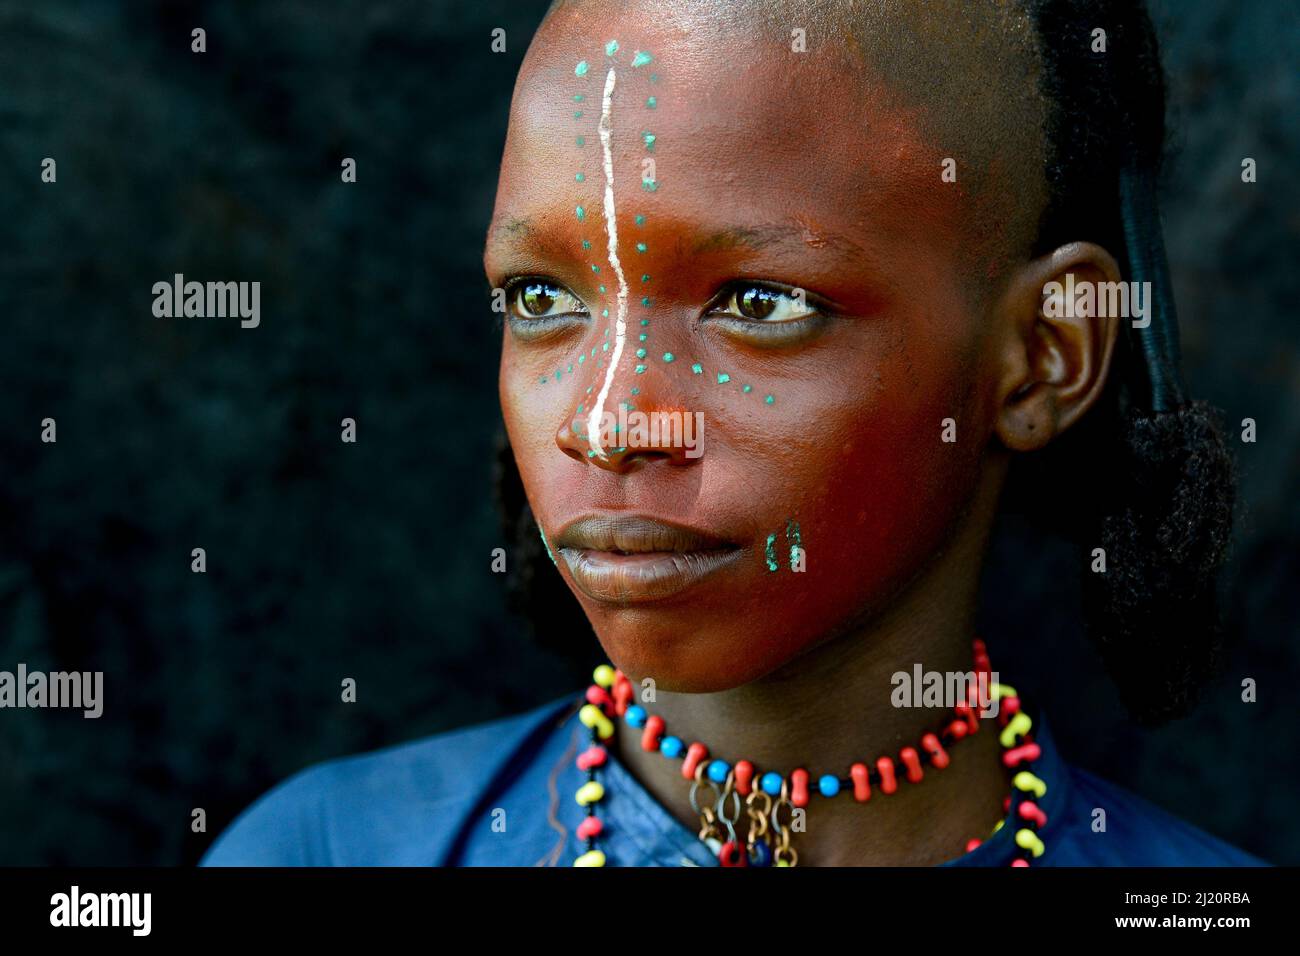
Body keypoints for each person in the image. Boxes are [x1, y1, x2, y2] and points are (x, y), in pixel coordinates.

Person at [202, 0, 1266, 867]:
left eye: (758, 304)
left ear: (1043, 352)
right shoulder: (326, 850)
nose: (609, 423)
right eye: (540, 297)